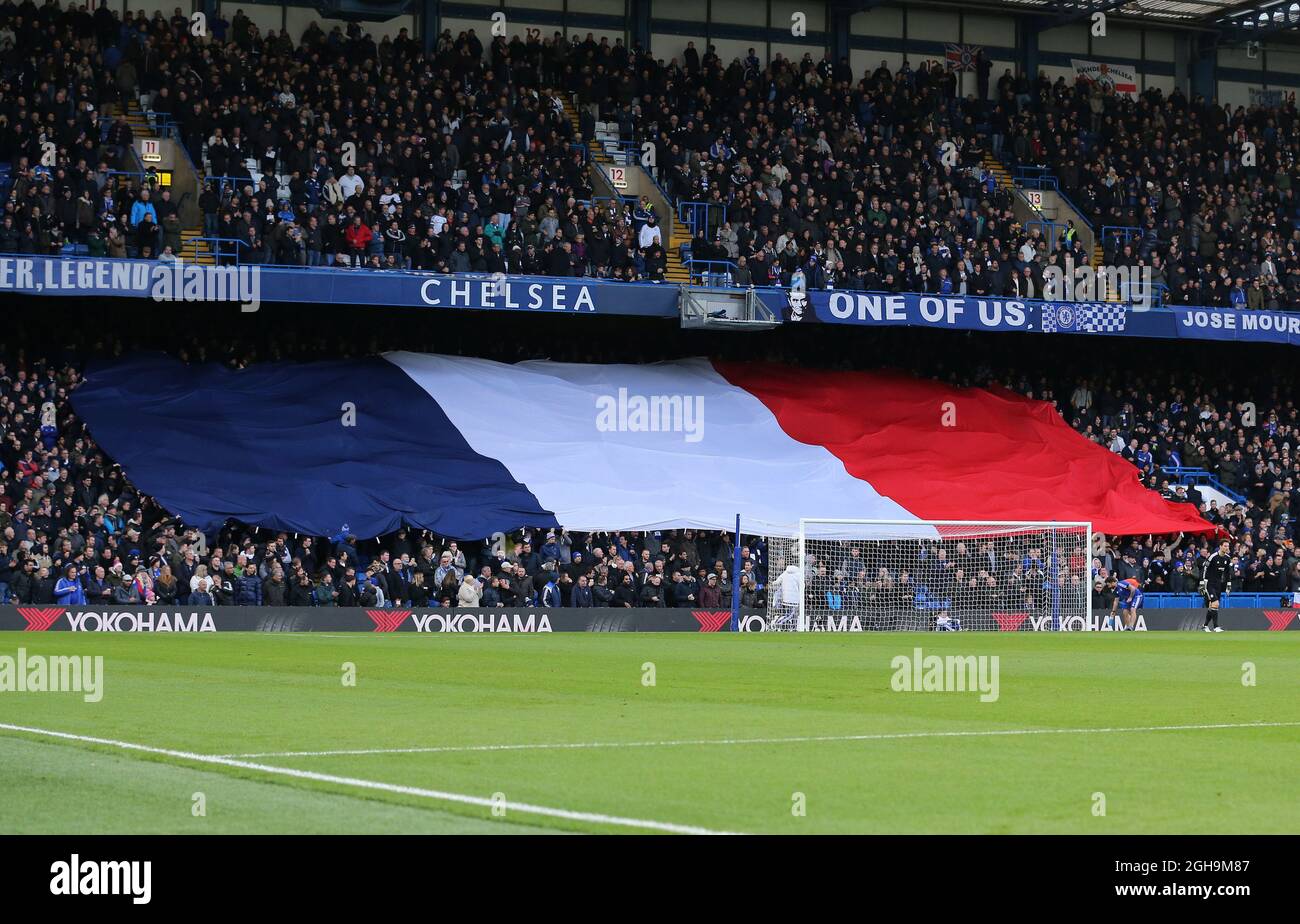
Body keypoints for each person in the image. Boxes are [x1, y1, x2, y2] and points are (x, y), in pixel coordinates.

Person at [1200, 539, 1234, 632]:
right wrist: (1202, 583)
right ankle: (1216, 627)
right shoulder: (1212, 557)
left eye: (1228, 546)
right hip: (1209, 583)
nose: (1227, 548)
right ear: (1220, 546)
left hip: (1218, 584)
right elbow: (1204, 569)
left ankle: (1205, 625)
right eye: (1225, 546)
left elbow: (1227, 573)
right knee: (1216, 603)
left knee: (1213, 606)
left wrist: (1228, 585)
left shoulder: (1227, 558)